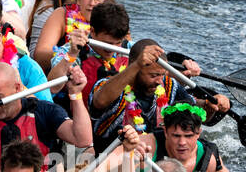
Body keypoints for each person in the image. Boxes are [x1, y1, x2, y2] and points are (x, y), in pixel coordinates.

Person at [91, 40, 230, 145]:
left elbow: (194, 111)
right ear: (134, 69)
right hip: (112, 157)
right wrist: (138, 64)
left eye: (162, 75)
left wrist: (209, 105)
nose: (159, 81)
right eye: (153, 75)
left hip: (151, 157)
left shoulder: (168, 85)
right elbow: (99, 101)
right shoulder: (109, 85)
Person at [154, 101, 239, 172]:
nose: (182, 142)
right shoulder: (148, 147)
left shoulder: (207, 158)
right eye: (176, 136)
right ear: (165, 132)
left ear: (198, 133)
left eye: (188, 136)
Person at [32, 0, 114, 75]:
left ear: (109, 3)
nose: (92, 3)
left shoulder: (116, 20)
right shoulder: (62, 14)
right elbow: (40, 55)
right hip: (64, 77)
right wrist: (69, 53)